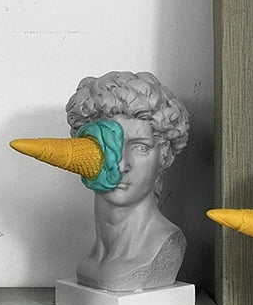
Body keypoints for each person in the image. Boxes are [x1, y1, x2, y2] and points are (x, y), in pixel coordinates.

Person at [65, 71, 190, 292]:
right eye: (105, 145)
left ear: (164, 155)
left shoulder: (165, 246)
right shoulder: (92, 260)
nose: (121, 164)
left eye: (140, 147)